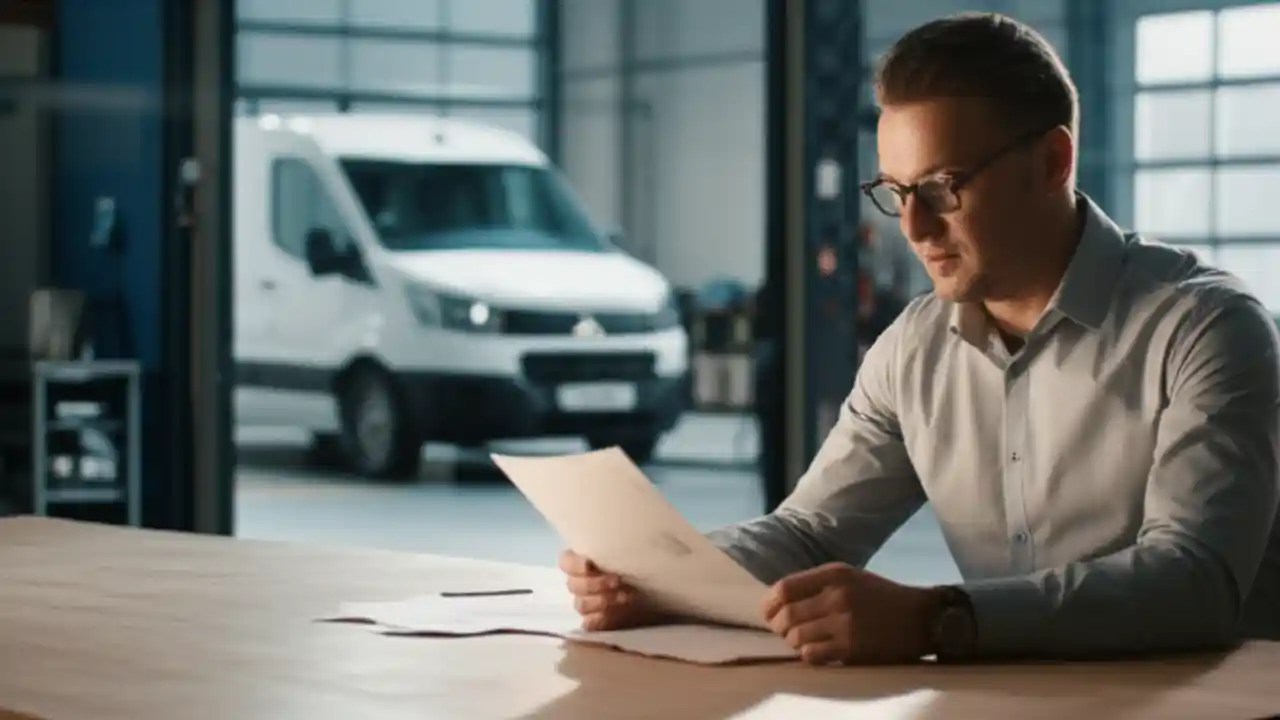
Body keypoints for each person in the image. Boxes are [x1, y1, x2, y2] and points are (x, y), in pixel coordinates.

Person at [560, 12, 1280, 664]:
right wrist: (662, 575)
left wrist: (938, 619)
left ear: (1053, 162)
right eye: (895, 192)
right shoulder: (913, 349)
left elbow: (1194, 580)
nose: (911, 229)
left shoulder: (1207, 330)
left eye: (942, 187)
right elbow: (811, 532)